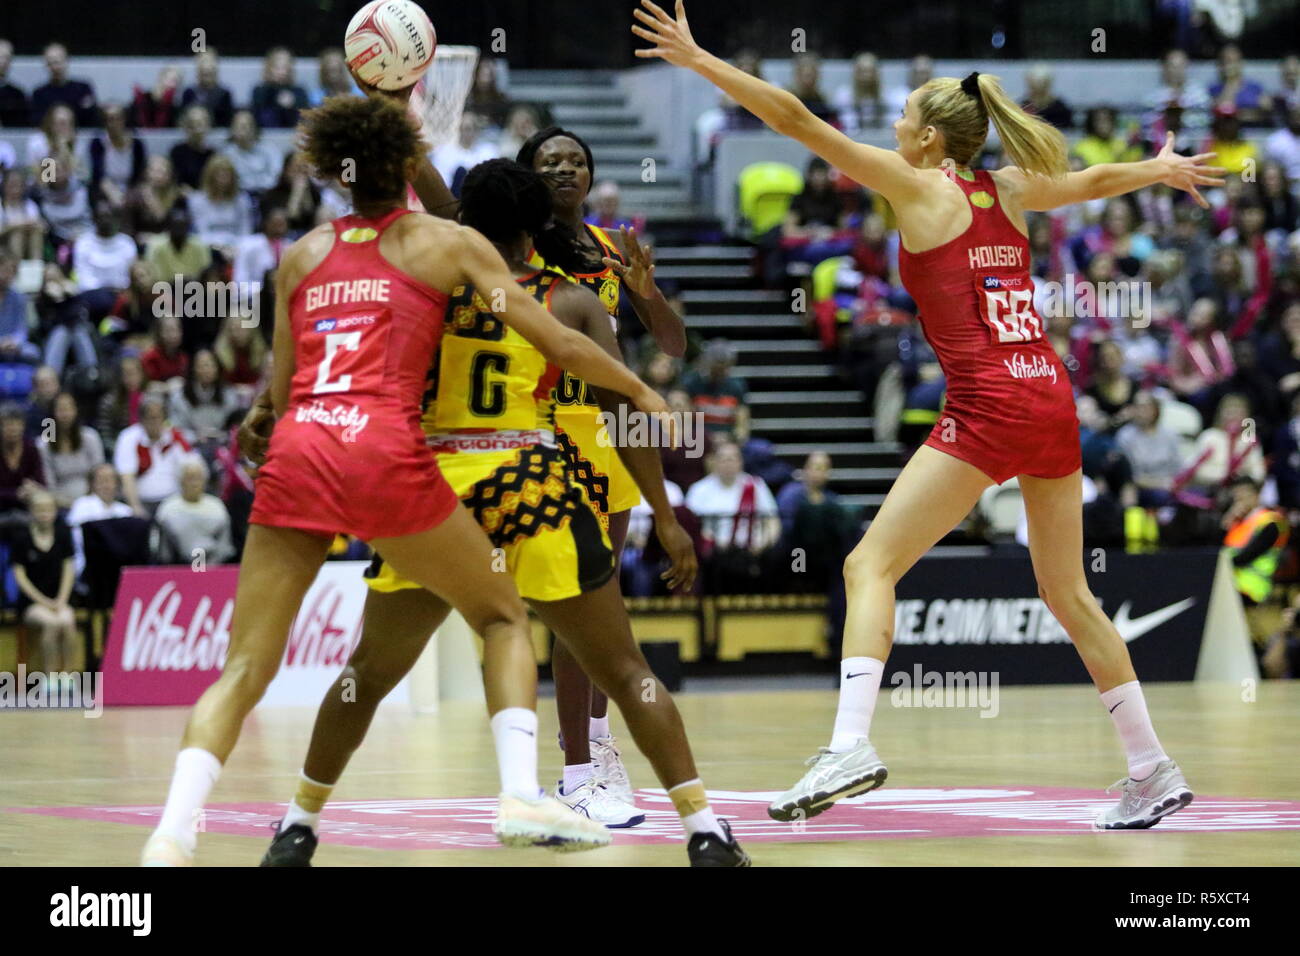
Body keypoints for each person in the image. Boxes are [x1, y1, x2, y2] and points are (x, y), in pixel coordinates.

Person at [632, 0, 1221, 829]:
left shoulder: (915, 187)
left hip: (990, 402)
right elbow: (1089, 183)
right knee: (1068, 593)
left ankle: (849, 745)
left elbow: (796, 118)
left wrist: (700, 61)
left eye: (906, 116)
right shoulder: (1010, 189)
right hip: (1051, 395)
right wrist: (1155, 171)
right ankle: (1152, 768)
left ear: (929, 140)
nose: (898, 124)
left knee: (868, 567)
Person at [141, 94, 668, 866]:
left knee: (253, 666)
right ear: (404, 169)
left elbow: (277, 397)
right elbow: (556, 331)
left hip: (306, 449)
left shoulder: (303, 253)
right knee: (509, 622)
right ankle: (528, 789)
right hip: (409, 454)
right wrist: (642, 391)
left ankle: (177, 833)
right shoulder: (442, 244)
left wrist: (259, 423)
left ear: (332, 173)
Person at [255, 158, 746, 866]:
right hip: (529, 482)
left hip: (433, 494)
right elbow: (618, 416)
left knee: (365, 674)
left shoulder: (418, 292)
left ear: (461, 224)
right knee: (625, 670)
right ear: (536, 228)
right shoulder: (568, 299)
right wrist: (663, 511)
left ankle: (298, 824)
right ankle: (703, 831)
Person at [516, 124, 688, 805]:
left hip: (609, 431)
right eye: (550, 160)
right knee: (576, 609)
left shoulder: (617, 246)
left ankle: (596, 746)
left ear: (591, 174)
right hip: (541, 426)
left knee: (604, 602)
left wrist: (645, 291)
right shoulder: (517, 247)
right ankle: (577, 768)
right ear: (530, 174)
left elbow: (672, 344)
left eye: (576, 160)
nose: (564, 169)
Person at [12, 490, 77, 675]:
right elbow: (20, 577)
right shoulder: (22, 538)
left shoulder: (63, 535)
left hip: (60, 599)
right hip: (32, 602)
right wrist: (45, 602)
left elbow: (68, 571)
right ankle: (50, 675)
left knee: (67, 620)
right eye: (39, 509)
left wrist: (61, 600)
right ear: (31, 512)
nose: (44, 514)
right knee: (51, 623)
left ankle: (67, 674)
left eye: (49, 509)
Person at [112, 394, 191, 517]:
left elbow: (189, 470)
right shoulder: (128, 437)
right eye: (150, 418)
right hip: (143, 502)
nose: (155, 423)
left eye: (158, 417)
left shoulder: (175, 436)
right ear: (142, 419)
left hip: (173, 501)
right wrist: (136, 507)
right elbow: (127, 477)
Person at [154, 455, 234, 565]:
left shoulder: (217, 507)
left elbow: (224, 545)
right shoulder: (167, 508)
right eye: (190, 478)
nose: (194, 483)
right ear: (180, 480)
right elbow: (163, 548)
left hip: (213, 566)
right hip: (176, 566)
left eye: (198, 478)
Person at [38, 391, 105, 509]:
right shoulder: (44, 445)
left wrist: (88, 503)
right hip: (59, 505)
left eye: (69, 408)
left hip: (93, 501)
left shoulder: (90, 437)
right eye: (61, 409)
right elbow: (49, 484)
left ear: (76, 411)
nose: (65, 414)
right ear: (52, 413)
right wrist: (70, 505)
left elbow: (99, 474)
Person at [65, 463, 133, 575]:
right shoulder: (82, 505)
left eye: (110, 479)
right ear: (92, 484)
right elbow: (76, 539)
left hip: (119, 564)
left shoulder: (125, 511)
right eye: (101, 479)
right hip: (90, 564)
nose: (106, 484)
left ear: (117, 483)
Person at [29, 43, 97, 127]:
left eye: (58, 62)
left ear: (67, 61)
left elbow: (91, 118)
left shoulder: (82, 89)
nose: (55, 67)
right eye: (51, 63)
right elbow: (37, 121)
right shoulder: (39, 94)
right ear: (46, 65)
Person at [220, 110, 282, 195]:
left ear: (255, 128)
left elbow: (275, 175)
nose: (243, 131)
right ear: (232, 129)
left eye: (246, 126)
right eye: (238, 126)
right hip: (236, 195)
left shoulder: (270, 150)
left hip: (267, 194)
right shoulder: (225, 153)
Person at [250, 47, 308, 129]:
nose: (282, 72)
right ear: (268, 68)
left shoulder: (299, 92)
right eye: (277, 68)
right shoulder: (259, 91)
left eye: (285, 68)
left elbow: (304, 118)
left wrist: (292, 105)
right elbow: (257, 117)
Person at [179, 49, 233, 128]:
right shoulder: (188, 93)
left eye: (210, 62)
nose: (206, 67)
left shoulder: (225, 94)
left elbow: (228, 124)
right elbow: (182, 121)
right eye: (203, 62)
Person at [169, 105, 216, 191]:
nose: (197, 128)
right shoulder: (177, 152)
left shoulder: (213, 154)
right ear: (185, 126)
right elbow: (174, 182)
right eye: (192, 124)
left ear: (208, 126)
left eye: (201, 124)